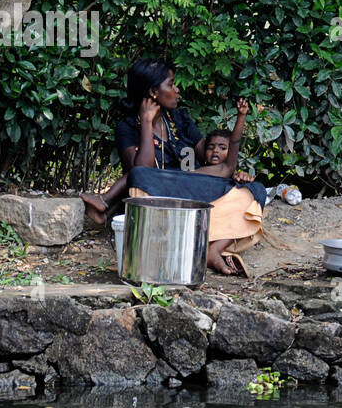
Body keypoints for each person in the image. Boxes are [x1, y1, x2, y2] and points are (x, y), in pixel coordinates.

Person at [81, 58, 265, 276]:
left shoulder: (180, 118)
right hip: (159, 197)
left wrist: (233, 173)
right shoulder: (128, 126)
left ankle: (212, 248)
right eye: (171, 84)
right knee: (141, 174)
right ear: (152, 92)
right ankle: (195, 239)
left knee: (255, 193)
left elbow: (212, 159)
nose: (177, 90)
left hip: (192, 189)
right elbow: (141, 172)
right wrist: (147, 123)